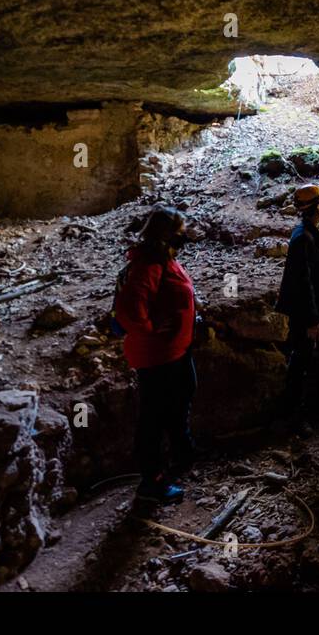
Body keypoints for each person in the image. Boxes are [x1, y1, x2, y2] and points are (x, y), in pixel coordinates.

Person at [114, 204, 199, 503]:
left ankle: (182, 453)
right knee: (154, 416)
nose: (183, 239)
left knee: (184, 393)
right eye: (179, 234)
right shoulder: (147, 265)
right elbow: (128, 310)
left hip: (177, 349)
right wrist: (150, 328)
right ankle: (152, 482)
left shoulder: (165, 259)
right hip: (157, 356)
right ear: (165, 236)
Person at [275, 184, 319, 425]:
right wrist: (313, 320)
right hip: (309, 313)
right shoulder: (303, 238)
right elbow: (302, 282)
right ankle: (293, 417)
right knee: (301, 364)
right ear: (318, 207)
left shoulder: (309, 234)